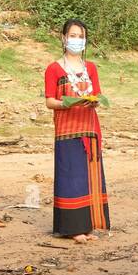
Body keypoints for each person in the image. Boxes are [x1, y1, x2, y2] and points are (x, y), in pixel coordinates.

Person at [44, 19, 109, 242]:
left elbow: (97, 96)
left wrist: (93, 102)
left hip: (89, 129)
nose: (77, 40)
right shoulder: (54, 68)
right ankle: (72, 229)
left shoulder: (90, 68)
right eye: (72, 36)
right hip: (66, 130)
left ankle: (88, 226)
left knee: (88, 178)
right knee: (71, 178)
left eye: (81, 36)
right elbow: (49, 101)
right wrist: (67, 103)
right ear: (63, 38)